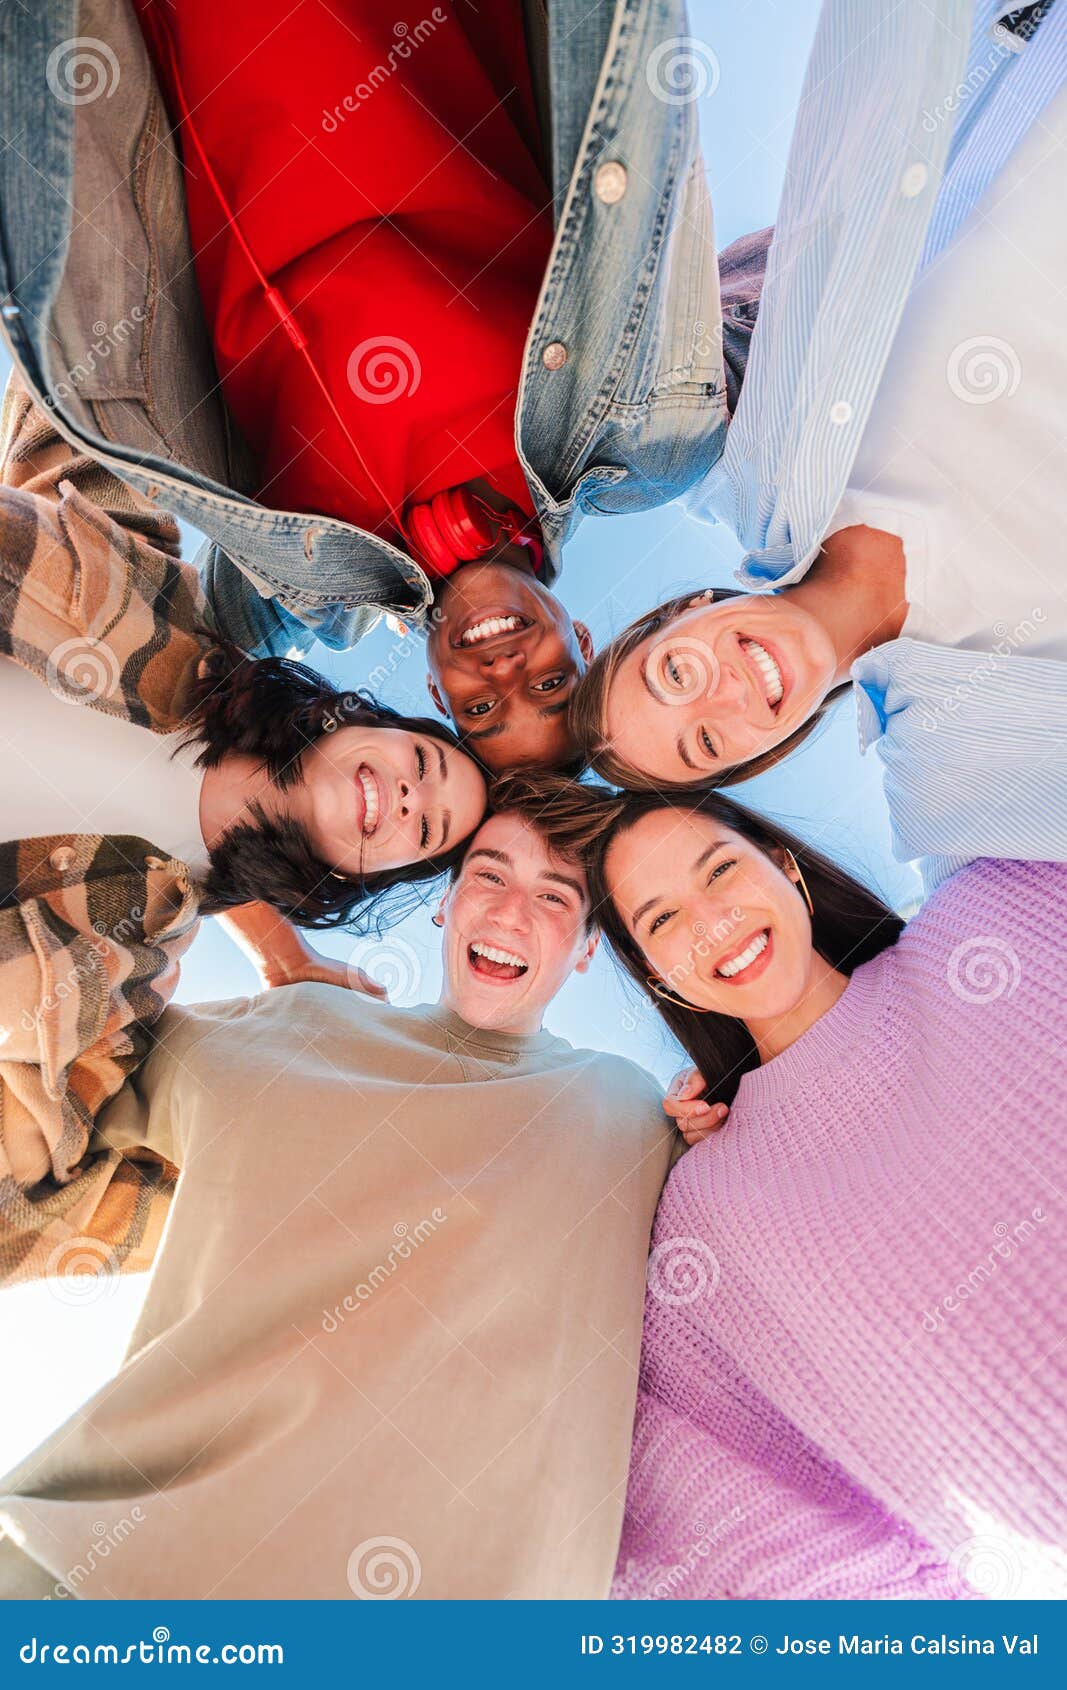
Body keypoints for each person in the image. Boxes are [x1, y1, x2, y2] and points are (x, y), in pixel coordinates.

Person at [0, 0, 768, 775]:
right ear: (585, 643)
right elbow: (797, 304)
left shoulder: (313, 594)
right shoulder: (638, 446)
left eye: (481, 709)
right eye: (551, 682)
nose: (505, 674)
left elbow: (197, 699)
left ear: (436, 698)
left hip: (182, 55)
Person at [0, 796, 676, 1600]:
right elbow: (65, 1022)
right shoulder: (304, 1022)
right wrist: (275, 944)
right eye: (486, 877)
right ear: (446, 907)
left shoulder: (629, 1113)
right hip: (88, 1573)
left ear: (590, 949)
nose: (508, 911)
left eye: (555, 897)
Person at [526, 779, 1067, 1598]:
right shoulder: (705, 1210)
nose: (712, 923)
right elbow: (723, 1505)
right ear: (657, 976)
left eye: (718, 871)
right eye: (663, 920)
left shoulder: (989, 924)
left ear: (785, 866)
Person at [0, 376, 487, 1284]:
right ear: (358, 720)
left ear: (351, 875)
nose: (415, 799)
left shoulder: (128, 970)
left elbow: (30, 1200)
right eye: (423, 764)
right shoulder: (167, 597)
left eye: (426, 832)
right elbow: (86, 385)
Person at [569, 0, 1067, 879]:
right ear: (759, 757)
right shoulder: (949, 765)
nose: (724, 695)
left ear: (688, 612)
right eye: (707, 743)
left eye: (674, 678)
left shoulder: (764, 455)